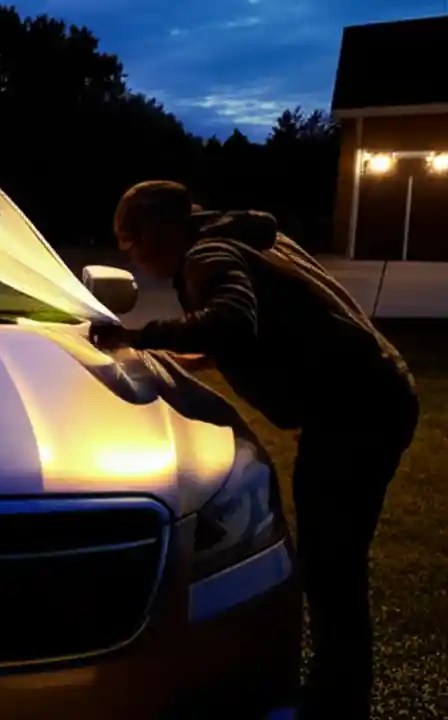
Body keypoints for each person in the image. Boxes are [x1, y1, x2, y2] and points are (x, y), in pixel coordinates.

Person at [94, 181, 418, 720]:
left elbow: (233, 321)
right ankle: (339, 691)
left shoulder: (207, 255)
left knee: (332, 564)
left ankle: (337, 703)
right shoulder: (248, 238)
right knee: (335, 560)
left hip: (354, 412)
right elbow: (268, 325)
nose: (130, 254)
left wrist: (138, 338)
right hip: (374, 397)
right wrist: (192, 360)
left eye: (130, 240)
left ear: (159, 229)